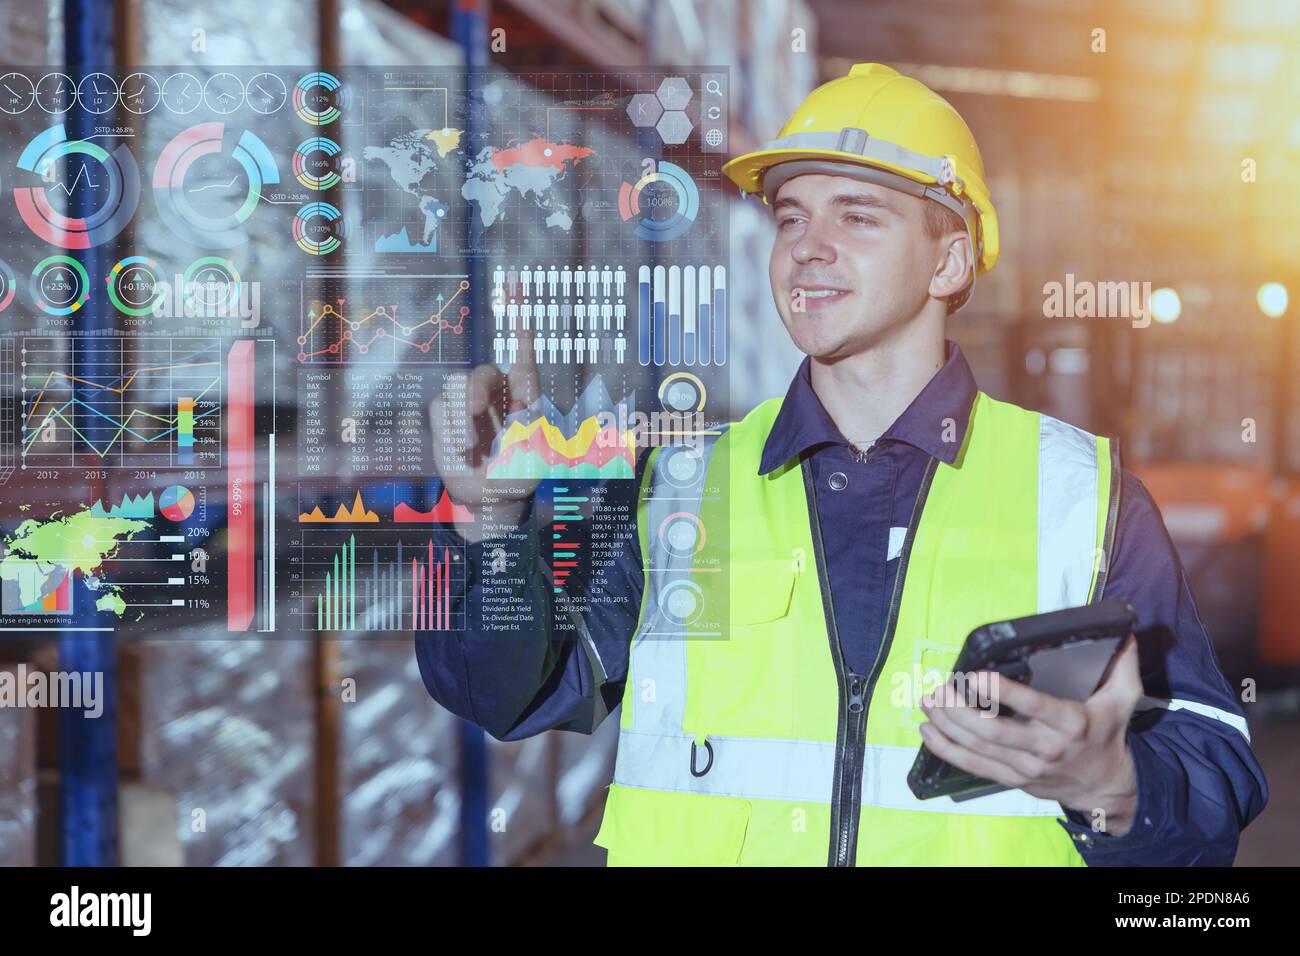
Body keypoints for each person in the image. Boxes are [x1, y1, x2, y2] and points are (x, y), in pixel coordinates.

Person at [418, 63, 1267, 866]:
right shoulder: (677, 487)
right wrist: (491, 525)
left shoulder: (1086, 498)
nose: (808, 248)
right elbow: (511, 693)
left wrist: (1108, 786)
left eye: (857, 215)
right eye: (792, 216)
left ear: (949, 259)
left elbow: (1215, 784)